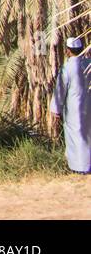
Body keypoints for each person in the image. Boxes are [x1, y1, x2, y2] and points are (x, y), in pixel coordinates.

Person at [50, 36, 91, 174]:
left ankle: (80, 168)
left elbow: (60, 90)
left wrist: (56, 109)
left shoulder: (67, 68)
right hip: (88, 107)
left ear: (68, 51)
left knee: (76, 136)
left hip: (75, 110)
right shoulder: (88, 64)